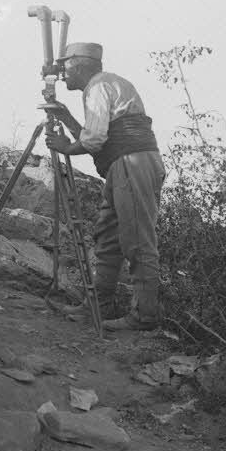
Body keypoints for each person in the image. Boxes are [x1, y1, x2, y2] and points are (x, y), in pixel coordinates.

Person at [43, 42, 166, 331]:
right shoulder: (108, 83)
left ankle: (145, 317)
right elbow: (100, 134)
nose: (63, 73)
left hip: (131, 165)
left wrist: (67, 148)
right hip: (124, 165)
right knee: (108, 238)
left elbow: (95, 139)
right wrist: (66, 118)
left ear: (80, 64)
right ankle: (98, 307)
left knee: (138, 241)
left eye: (66, 66)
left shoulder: (98, 87)